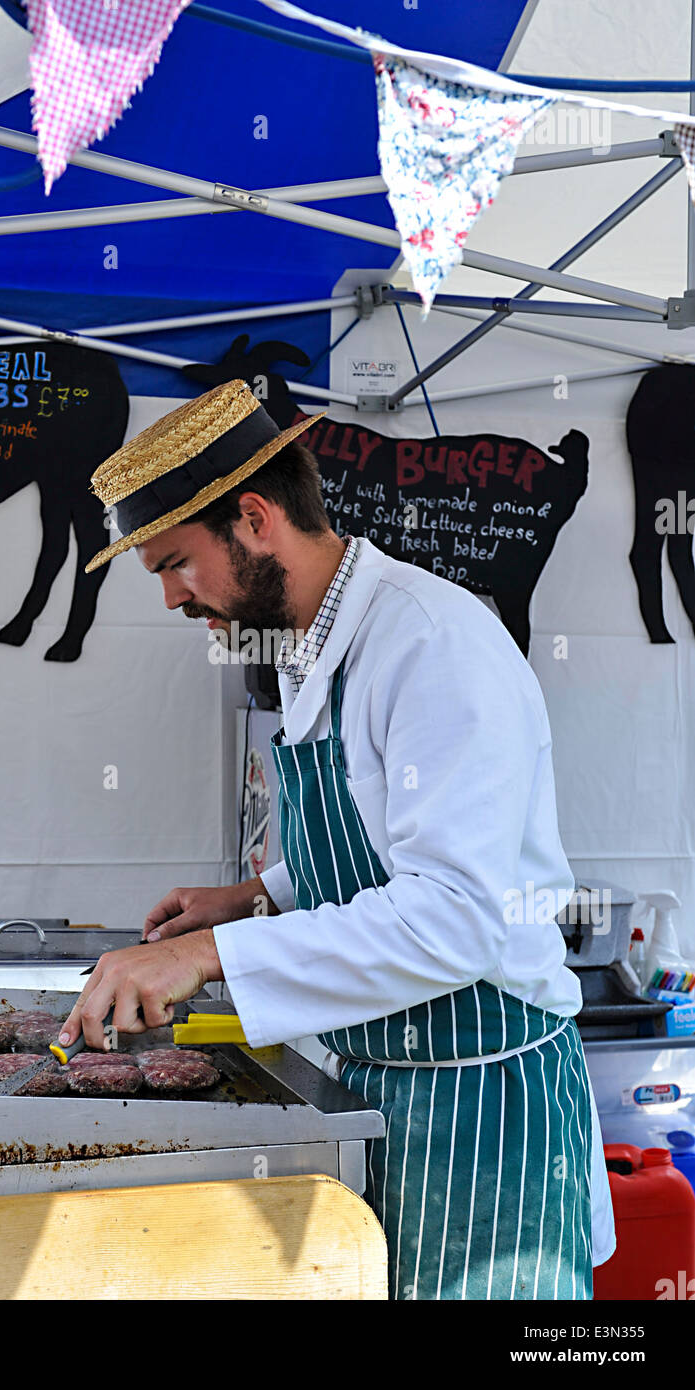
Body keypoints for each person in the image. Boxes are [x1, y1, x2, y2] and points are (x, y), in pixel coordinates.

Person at [60, 377, 615, 1299]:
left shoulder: (430, 643)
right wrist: (261, 893)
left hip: (482, 1113)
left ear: (252, 517)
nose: (169, 598)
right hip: (388, 1089)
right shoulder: (319, 640)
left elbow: (453, 917)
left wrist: (206, 953)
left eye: (172, 563)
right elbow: (380, 833)